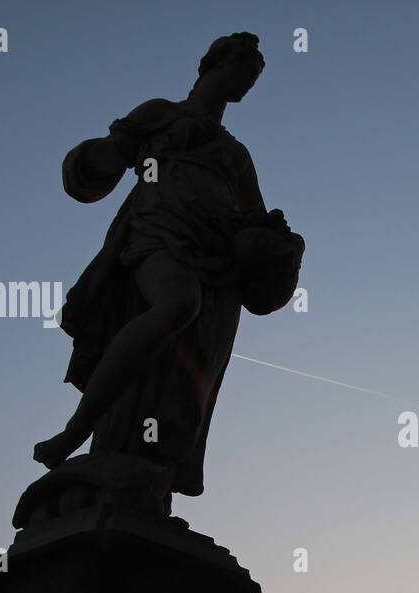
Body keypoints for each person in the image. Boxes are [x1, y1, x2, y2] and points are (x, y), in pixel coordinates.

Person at [34, 31, 304, 506]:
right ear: (213, 64)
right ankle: (76, 431)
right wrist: (101, 156)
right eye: (243, 71)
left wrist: (277, 242)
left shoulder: (236, 154)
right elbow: (100, 169)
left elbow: (254, 217)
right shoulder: (161, 112)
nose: (246, 85)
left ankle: (151, 485)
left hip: (215, 258)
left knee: (181, 376)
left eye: (254, 79)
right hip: (158, 231)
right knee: (178, 303)